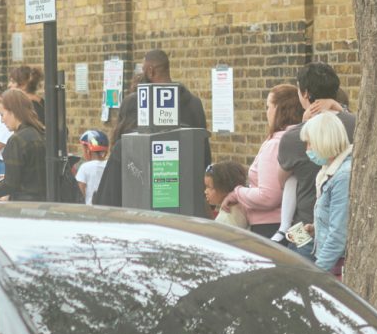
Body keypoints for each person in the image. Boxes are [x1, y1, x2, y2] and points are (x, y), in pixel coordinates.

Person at [90, 49, 212, 206]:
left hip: (138, 197)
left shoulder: (134, 103)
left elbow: (120, 159)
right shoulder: (194, 104)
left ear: (151, 71)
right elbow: (204, 156)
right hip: (185, 196)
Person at [273, 62, 354, 237]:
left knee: (300, 259)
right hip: (348, 227)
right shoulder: (358, 125)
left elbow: (281, 181)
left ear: (305, 93)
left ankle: (282, 231)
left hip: (305, 227)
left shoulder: (293, 137)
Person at [220, 83, 302, 238]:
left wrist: (238, 193)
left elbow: (268, 196)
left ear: (280, 109)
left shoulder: (275, 145)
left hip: (270, 226)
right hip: (292, 224)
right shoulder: (300, 138)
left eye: (268, 107)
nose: (266, 113)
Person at [303, 111, 352, 276]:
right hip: (332, 263)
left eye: (309, 143)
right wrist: (317, 228)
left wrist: (316, 273)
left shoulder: (343, 175)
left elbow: (339, 234)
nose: (307, 149)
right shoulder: (330, 171)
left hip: (336, 265)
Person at [204, 161, 251, 228]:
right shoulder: (242, 208)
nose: (205, 191)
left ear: (225, 188)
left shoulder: (225, 220)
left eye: (209, 187)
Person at [74, 130, 108, 203]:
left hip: (90, 209)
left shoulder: (85, 167)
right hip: (107, 208)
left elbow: (80, 193)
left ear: (88, 149)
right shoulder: (109, 164)